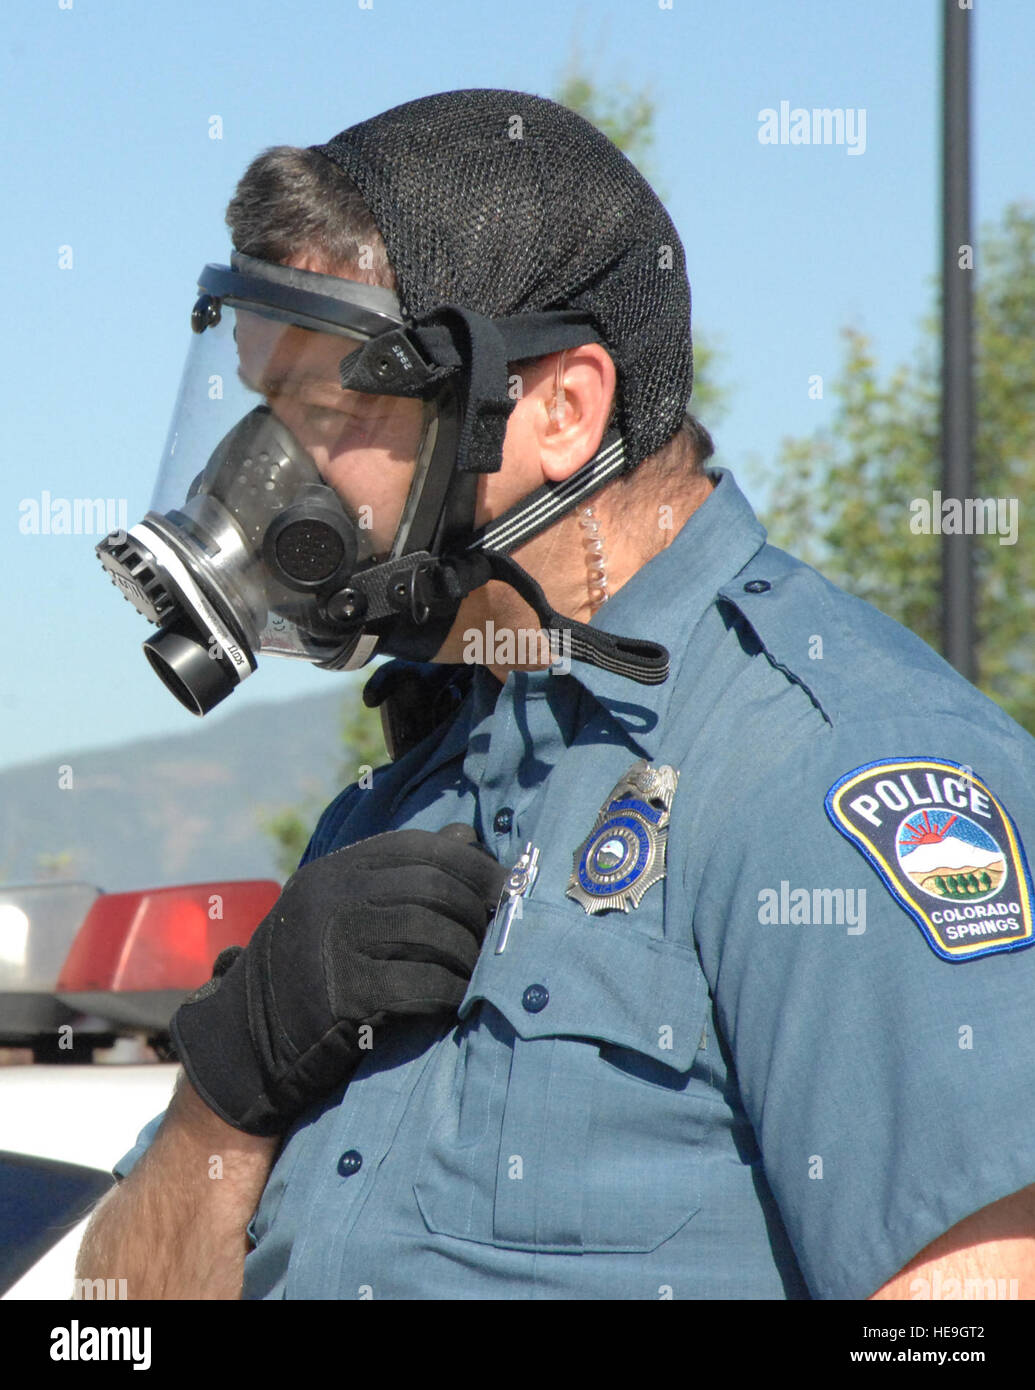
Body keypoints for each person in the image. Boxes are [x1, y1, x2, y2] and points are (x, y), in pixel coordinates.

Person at [79, 89, 1035, 1301]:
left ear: (562, 410)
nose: (260, 479)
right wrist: (231, 1087)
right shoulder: (404, 789)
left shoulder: (827, 768)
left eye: (326, 411)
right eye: (265, 411)